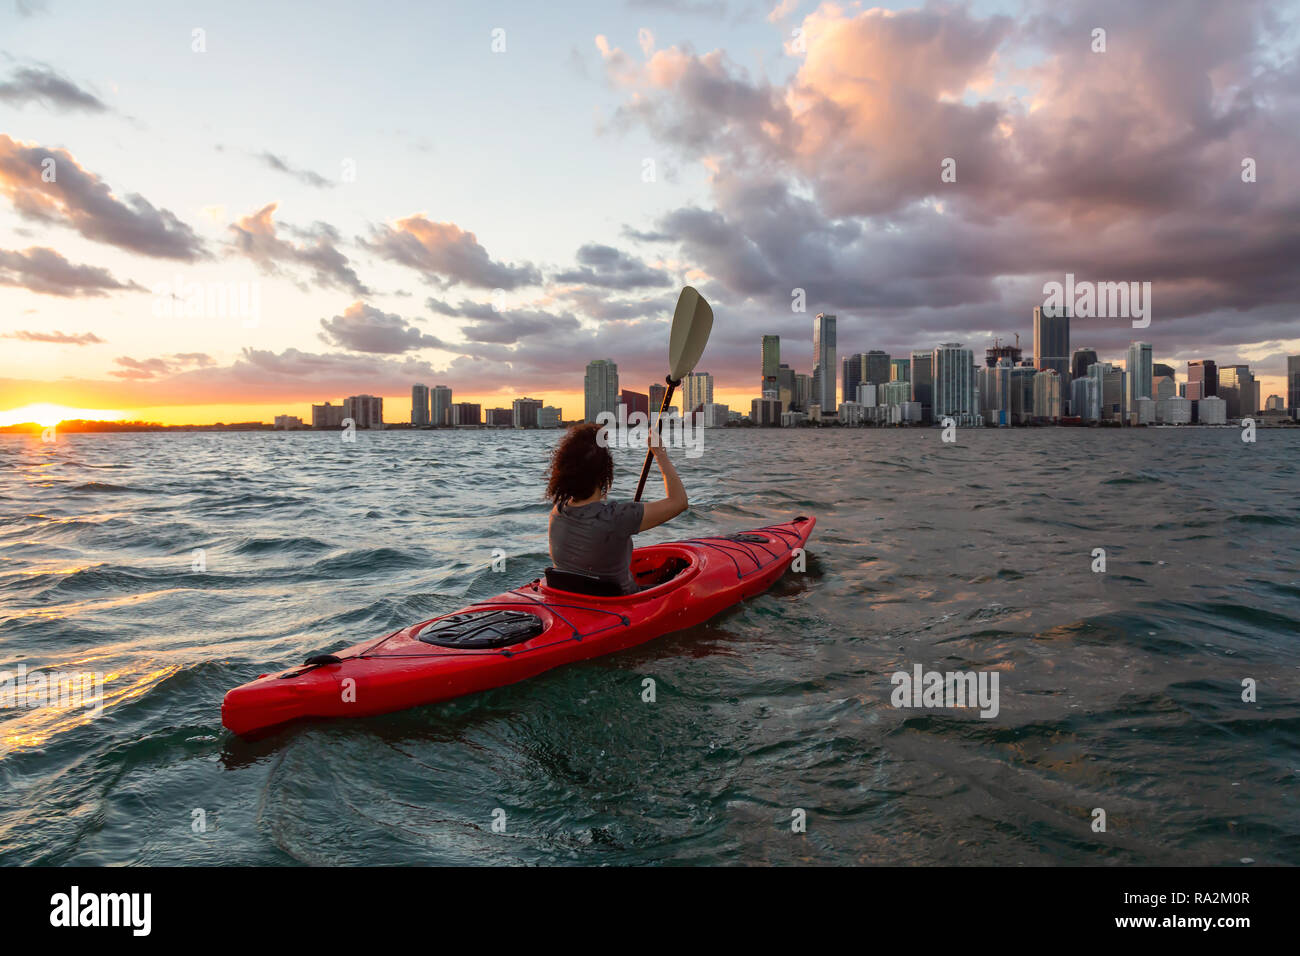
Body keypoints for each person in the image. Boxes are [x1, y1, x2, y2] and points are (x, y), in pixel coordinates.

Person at [546, 422, 687, 593]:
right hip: (620, 603)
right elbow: (679, 502)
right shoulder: (617, 519)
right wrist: (659, 454)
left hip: (573, 598)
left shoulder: (557, 512)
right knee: (678, 572)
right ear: (605, 474)